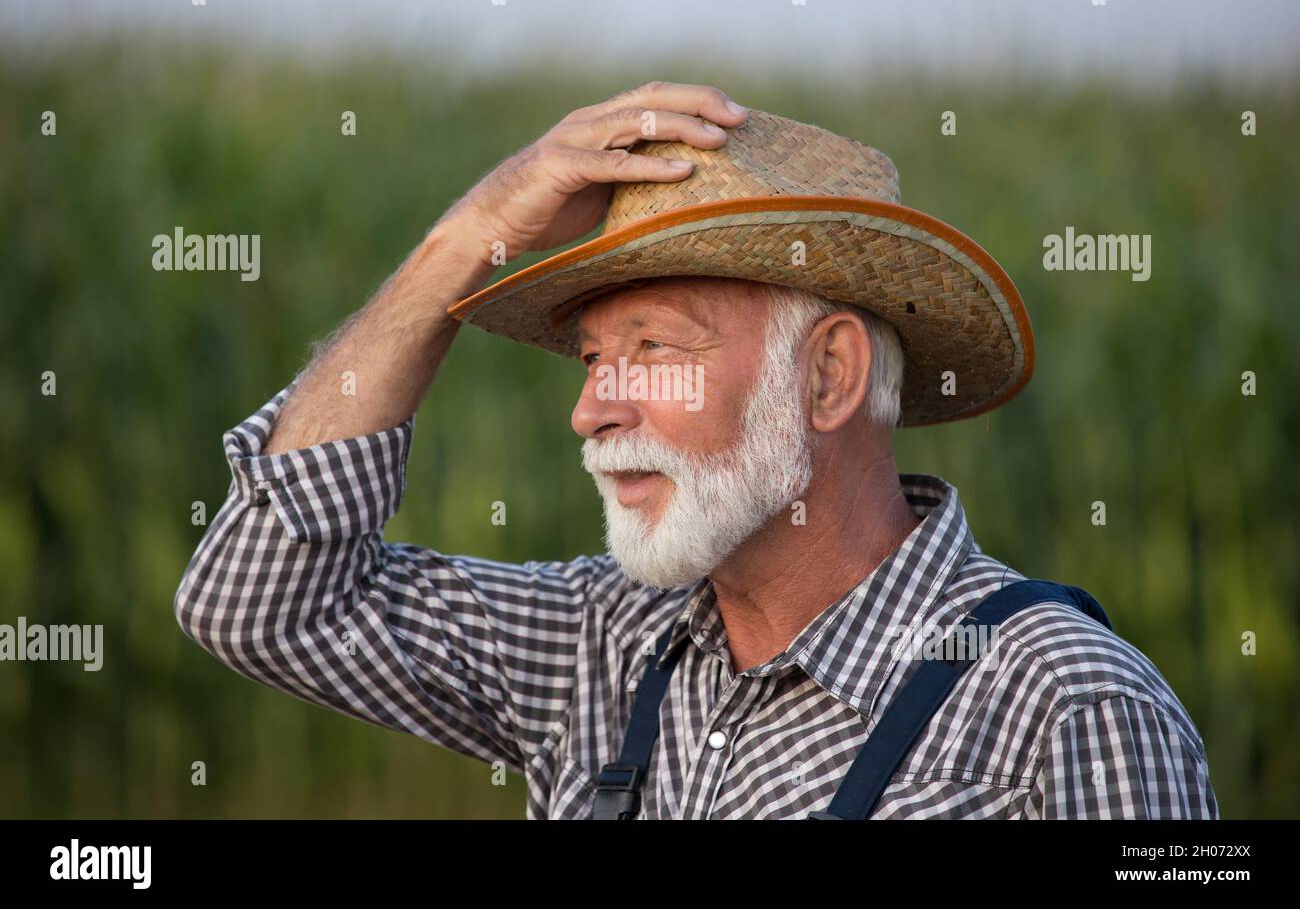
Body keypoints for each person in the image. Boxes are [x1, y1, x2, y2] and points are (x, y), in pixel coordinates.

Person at [174, 81, 1218, 819]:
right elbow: (257, 600)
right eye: (590, 357)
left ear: (828, 377)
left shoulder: (1065, 705)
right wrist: (471, 234)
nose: (591, 410)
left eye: (653, 349)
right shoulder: (601, 643)